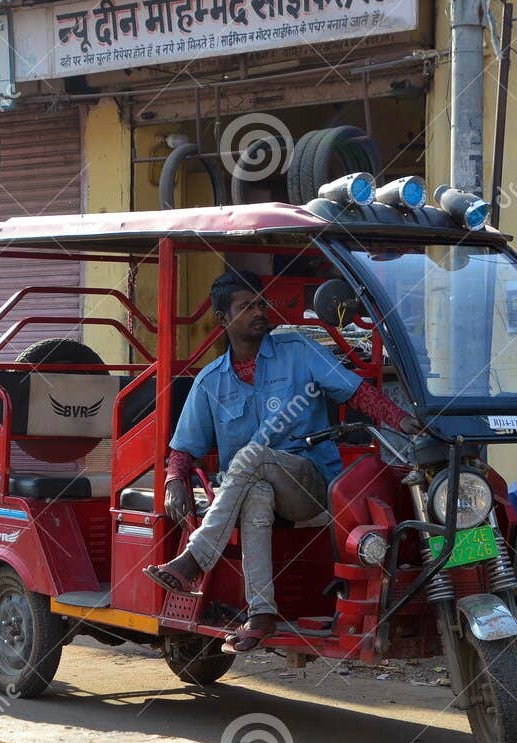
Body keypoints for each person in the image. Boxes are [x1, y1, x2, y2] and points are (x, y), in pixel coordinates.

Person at [144, 270, 420, 652]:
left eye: (261, 303)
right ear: (223, 319)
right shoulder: (210, 381)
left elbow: (358, 394)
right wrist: (174, 480)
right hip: (255, 492)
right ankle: (262, 612)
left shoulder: (299, 351)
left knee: (251, 458)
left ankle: (195, 558)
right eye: (247, 306)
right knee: (255, 492)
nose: (260, 311)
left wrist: (403, 421)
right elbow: (183, 448)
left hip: (311, 486)